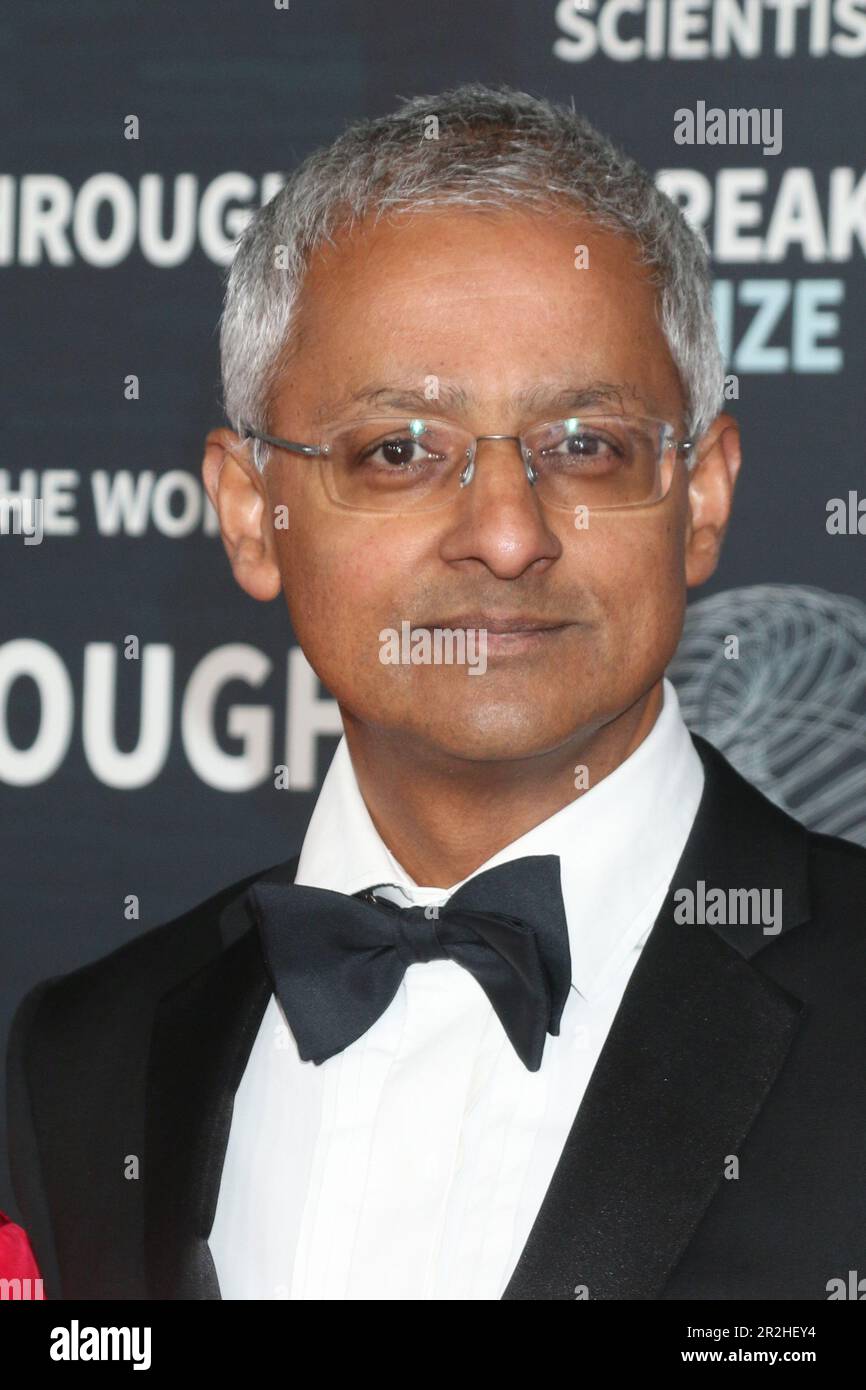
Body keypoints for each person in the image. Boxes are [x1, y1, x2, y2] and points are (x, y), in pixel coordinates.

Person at [7, 83, 866, 1301]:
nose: (507, 536)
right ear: (252, 514)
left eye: (585, 443)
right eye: (398, 450)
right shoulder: (84, 1060)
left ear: (703, 496)